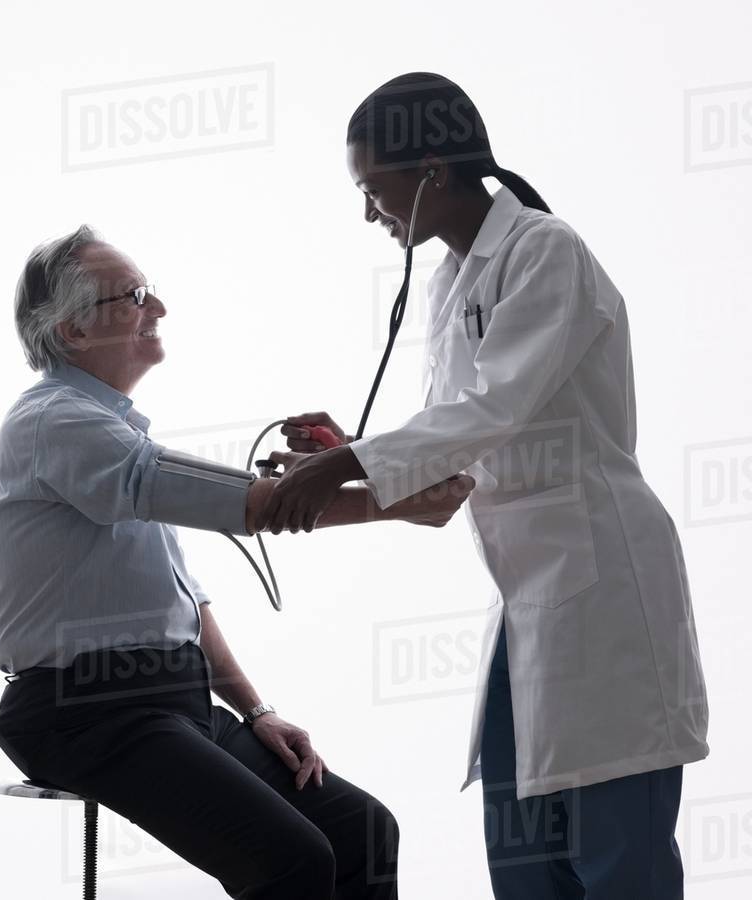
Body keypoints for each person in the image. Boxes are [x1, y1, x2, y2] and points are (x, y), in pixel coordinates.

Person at [259, 73, 708, 900]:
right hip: (527, 601)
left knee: (619, 867)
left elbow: (487, 410)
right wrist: (348, 452)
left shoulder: (545, 249)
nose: (370, 214)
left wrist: (345, 467)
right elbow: (451, 464)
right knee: (525, 868)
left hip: (603, 587)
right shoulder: (450, 279)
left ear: (431, 169)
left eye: (374, 190)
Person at [0, 225, 473, 899]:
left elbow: (185, 603)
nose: (157, 308)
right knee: (291, 862)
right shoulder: (57, 424)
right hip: (85, 710)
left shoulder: (113, 432)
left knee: (363, 832)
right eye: (134, 296)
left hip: (172, 701)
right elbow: (254, 506)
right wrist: (384, 493)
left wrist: (255, 709)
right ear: (73, 332)